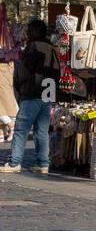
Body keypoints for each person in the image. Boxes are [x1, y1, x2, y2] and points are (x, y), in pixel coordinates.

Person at [1, 20, 61, 175]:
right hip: (47, 93)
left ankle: (15, 162)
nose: (27, 33)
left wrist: (20, 88)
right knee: (41, 131)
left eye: (29, 30)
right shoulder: (52, 47)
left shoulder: (34, 46)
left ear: (35, 31)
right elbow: (56, 71)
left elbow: (25, 70)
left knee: (21, 129)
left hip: (33, 92)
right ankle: (42, 163)